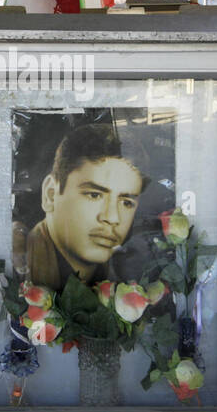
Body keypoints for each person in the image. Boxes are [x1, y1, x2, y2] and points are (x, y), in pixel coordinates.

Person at [18, 124, 146, 292]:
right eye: (94, 195)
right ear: (50, 194)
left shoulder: (123, 280)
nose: (113, 217)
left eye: (126, 203)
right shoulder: (17, 271)